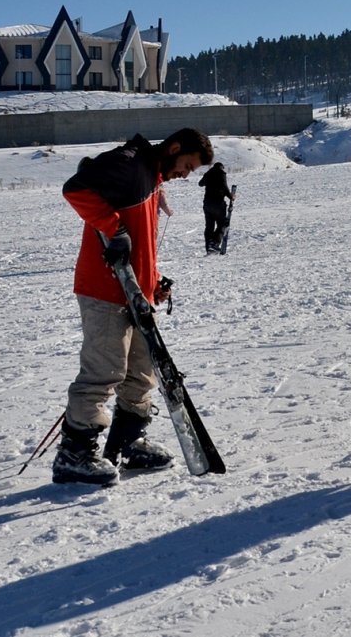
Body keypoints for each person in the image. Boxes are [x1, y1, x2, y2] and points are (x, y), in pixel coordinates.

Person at [53, 128, 213, 485]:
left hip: (137, 292)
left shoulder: (151, 176)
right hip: (104, 290)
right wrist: (111, 229)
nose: (186, 174)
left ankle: (127, 443)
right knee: (104, 371)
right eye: (187, 165)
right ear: (174, 149)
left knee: (142, 371)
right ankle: (74, 454)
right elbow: (75, 189)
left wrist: (154, 284)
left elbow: (140, 240)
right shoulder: (129, 164)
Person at [199, 160, 235, 254]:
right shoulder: (221, 173)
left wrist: (207, 179)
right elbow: (224, 186)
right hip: (218, 204)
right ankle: (214, 243)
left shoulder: (209, 173)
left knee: (209, 226)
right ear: (222, 167)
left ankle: (209, 248)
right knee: (222, 224)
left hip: (207, 204)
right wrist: (231, 197)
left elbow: (200, 183)